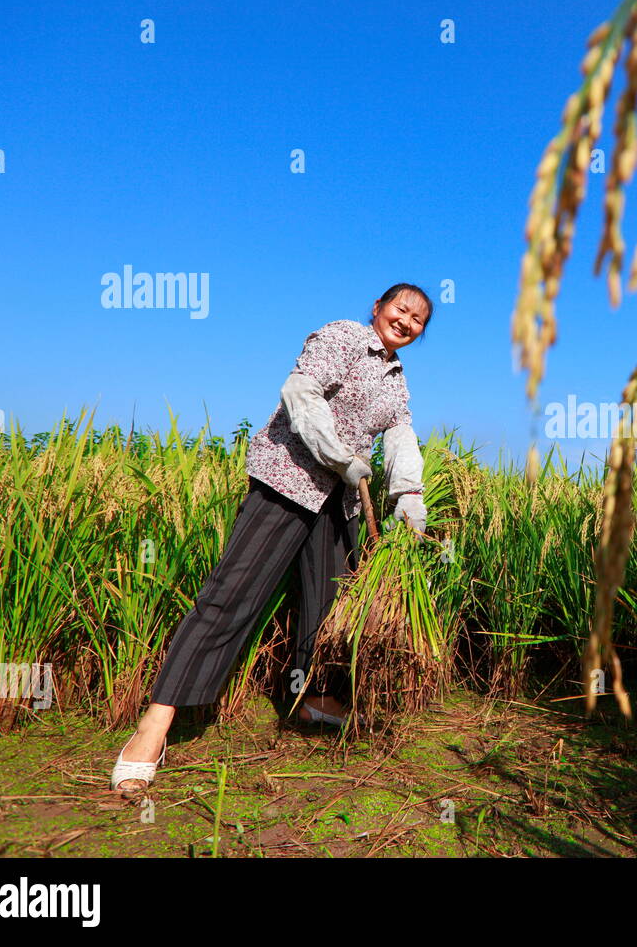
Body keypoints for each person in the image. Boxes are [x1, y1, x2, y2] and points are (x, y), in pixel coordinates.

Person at [109, 284, 432, 796]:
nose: (407, 321)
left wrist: (409, 494)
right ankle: (156, 724)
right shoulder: (343, 337)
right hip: (289, 480)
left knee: (329, 609)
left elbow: (400, 436)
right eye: (401, 308)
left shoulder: (398, 382)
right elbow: (300, 393)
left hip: (338, 503)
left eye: (419, 319)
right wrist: (338, 455)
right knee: (230, 598)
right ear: (377, 308)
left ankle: (310, 699)